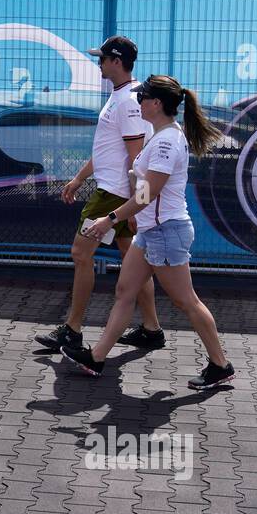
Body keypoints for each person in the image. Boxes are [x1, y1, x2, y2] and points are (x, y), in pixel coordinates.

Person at [61, 74, 236, 390]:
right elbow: (143, 188)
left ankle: (220, 365)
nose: (138, 102)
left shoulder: (167, 141)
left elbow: (147, 195)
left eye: (143, 97)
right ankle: (96, 358)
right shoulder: (159, 135)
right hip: (150, 233)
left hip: (167, 233)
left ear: (156, 104)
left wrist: (110, 219)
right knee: (125, 292)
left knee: (186, 301)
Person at [36, 36, 162, 352]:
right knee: (133, 261)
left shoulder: (128, 101)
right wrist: (79, 179)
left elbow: (136, 159)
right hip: (116, 193)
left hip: (114, 196)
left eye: (103, 58)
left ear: (116, 62)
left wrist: (136, 207)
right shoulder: (122, 96)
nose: (99, 62)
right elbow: (108, 149)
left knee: (81, 254)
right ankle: (151, 329)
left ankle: (73, 330)